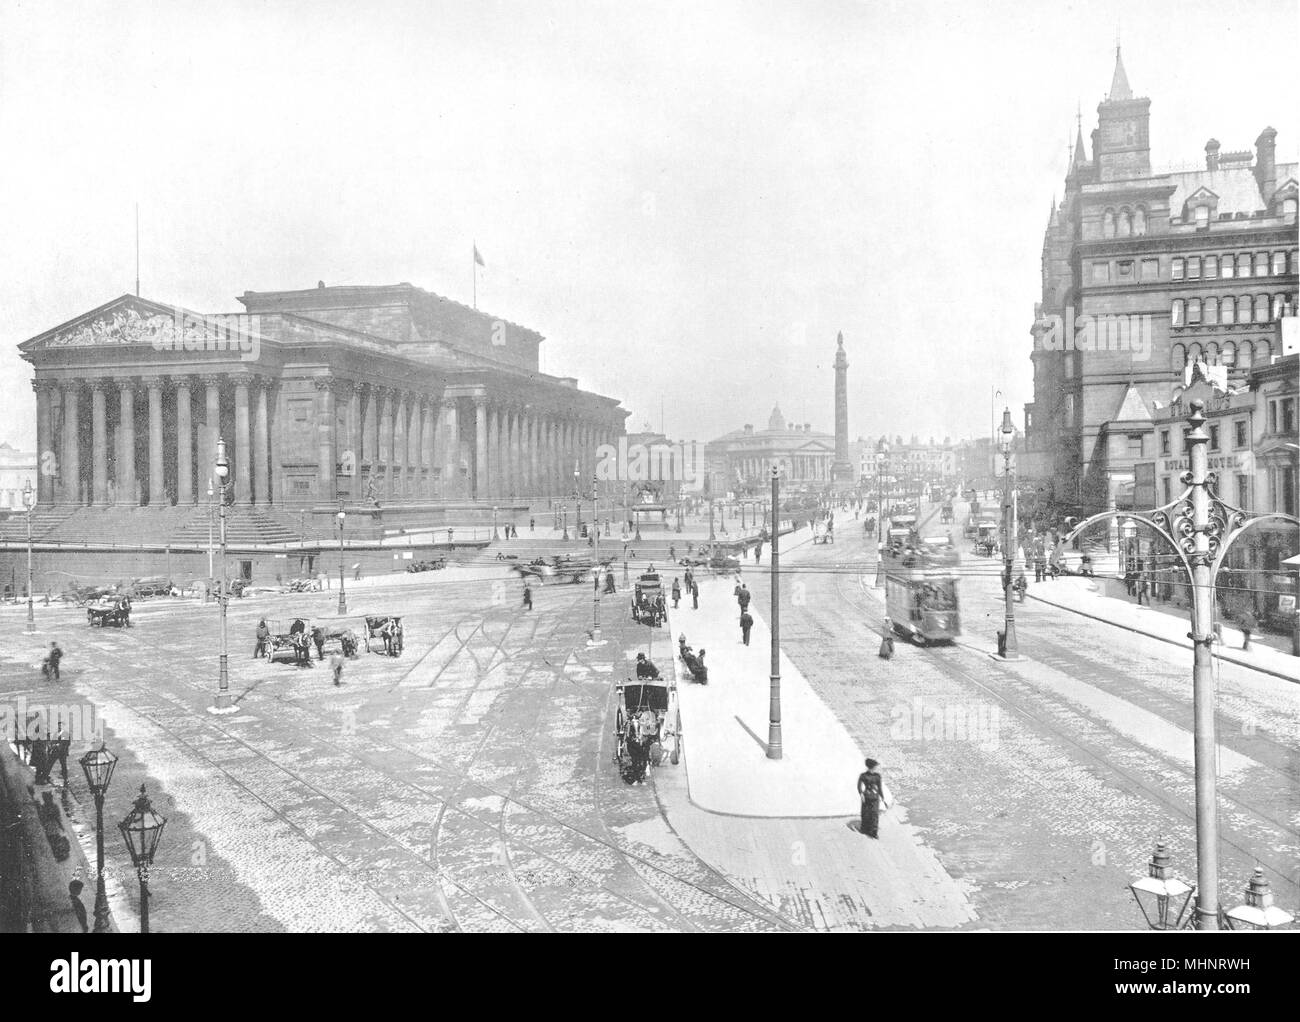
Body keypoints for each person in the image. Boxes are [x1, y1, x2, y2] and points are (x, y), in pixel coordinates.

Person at [857, 758, 884, 838]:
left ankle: (872, 831)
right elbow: (859, 786)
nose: (876, 768)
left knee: (874, 814)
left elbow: (879, 787)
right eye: (875, 766)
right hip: (868, 796)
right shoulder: (865, 776)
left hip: (873, 797)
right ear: (871, 767)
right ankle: (866, 829)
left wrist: (882, 796)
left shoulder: (876, 776)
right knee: (866, 813)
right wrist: (861, 794)